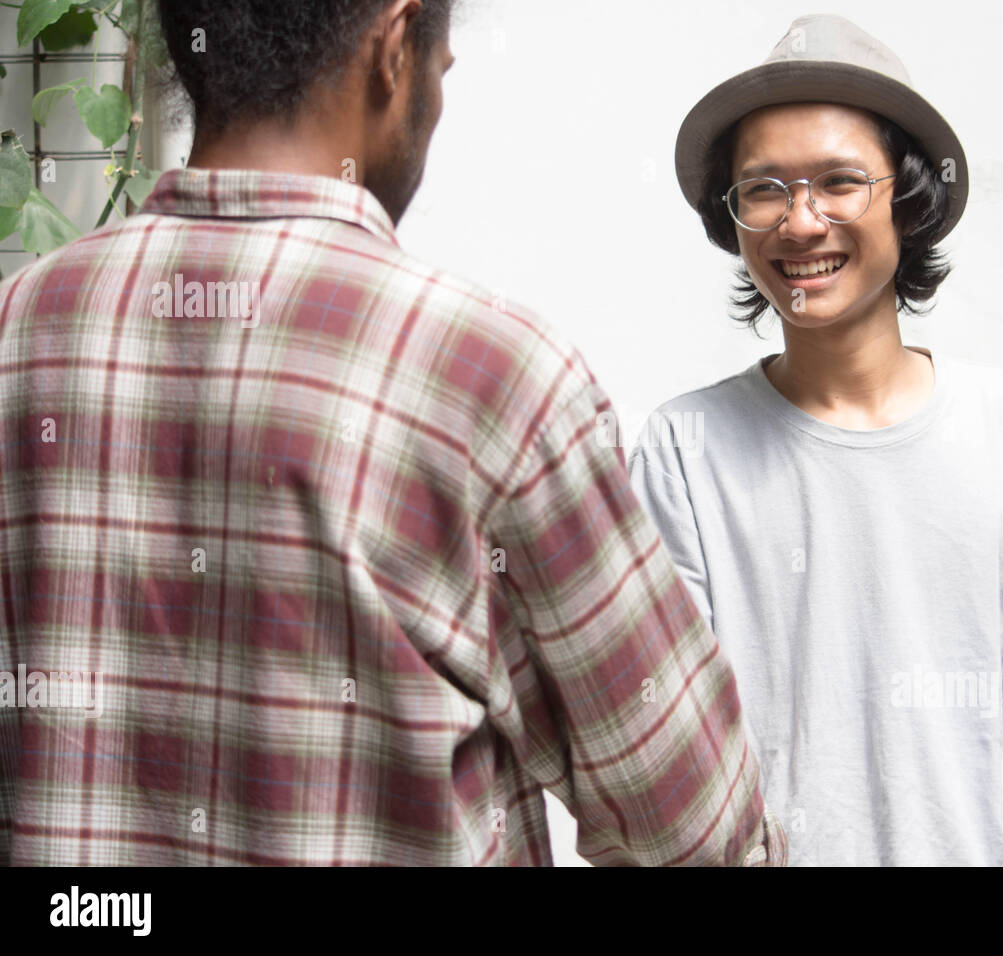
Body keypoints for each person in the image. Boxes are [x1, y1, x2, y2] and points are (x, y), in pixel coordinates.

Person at [0, 0, 785, 866]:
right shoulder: (488, 374)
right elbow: (692, 826)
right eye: (439, 68)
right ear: (392, 48)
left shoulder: (19, 325)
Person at [629, 14, 1003, 866]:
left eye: (838, 182)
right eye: (765, 189)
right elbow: (669, 747)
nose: (800, 221)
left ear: (908, 196)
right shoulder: (684, 449)